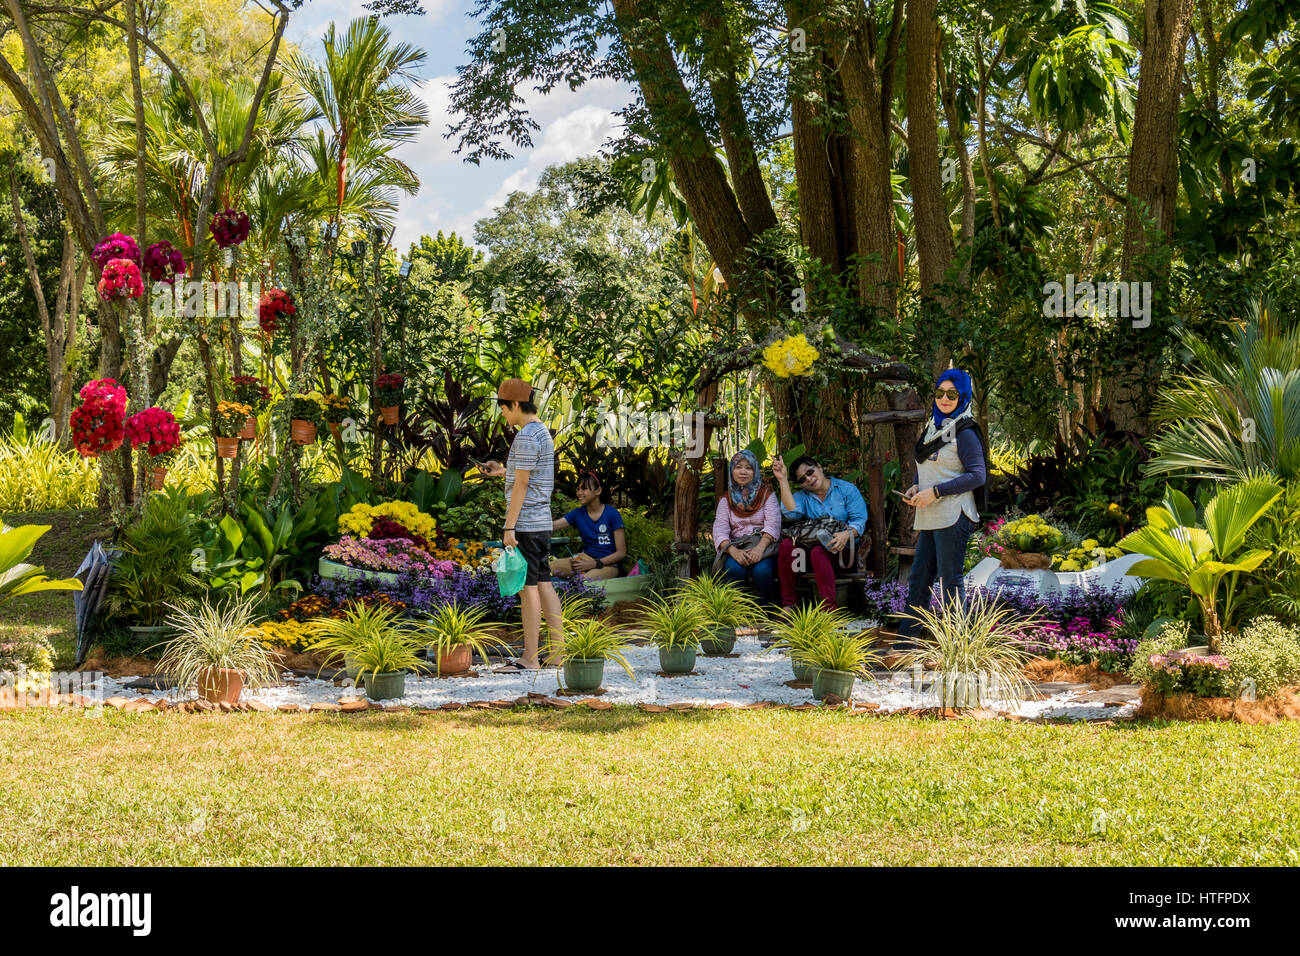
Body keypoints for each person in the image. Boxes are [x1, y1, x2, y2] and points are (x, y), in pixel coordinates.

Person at [897, 368, 989, 642]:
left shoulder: (965, 431)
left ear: (963, 396)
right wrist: (916, 486)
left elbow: (977, 475)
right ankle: (906, 642)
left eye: (952, 394)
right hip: (931, 515)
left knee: (950, 581)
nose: (945, 399)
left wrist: (935, 492)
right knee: (919, 578)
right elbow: (927, 463)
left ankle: (956, 646)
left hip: (953, 514)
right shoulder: (934, 427)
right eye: (940, 393)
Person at [479, 378, 562, 669]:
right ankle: (556, 655)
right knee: (544, 584)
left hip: (526, 524)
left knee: (528, 590)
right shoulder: (542, 432)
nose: (503, 414)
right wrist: (502, 471)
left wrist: (508, 526)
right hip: (542, 523)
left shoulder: (526, 436)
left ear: (515, 405)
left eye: (503, 408)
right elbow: (527, 474)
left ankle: (529, 657)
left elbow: (523, 485)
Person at [771, 454, 868, 609]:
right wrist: (782, 479)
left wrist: (847, 534)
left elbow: (859, 520)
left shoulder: (846, 489)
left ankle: (829, 610)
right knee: (787, 546)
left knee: (819, 551)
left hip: (842, 550)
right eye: (802, 479)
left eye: (810, 472)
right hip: (807, 554)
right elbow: (791, 512)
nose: (808, 479)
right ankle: (789, 605)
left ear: (819, 467)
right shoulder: (803, 496)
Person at [711, 450, 780, 601]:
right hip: (737, 547)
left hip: (763, 547)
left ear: (755, 471)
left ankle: (766, 613)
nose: (743, 472)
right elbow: (720, 530)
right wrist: (734, 552)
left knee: (763, 571)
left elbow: (773, 523)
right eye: (738, 467)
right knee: (733, 570)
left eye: (748, 468)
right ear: (732, 471)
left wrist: (759, 549)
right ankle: (738, 615)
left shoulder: (767, 494)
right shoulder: (726, 499)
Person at [550, 471, 626, 581]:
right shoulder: (577, 513)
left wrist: (595, 563)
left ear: (598, 491)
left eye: (584, 489)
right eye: (578, 489)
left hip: (608, 565)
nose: (579, 492)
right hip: (584, 559)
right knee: (546, 569)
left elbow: (621, 553)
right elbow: (552, 526)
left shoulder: (612, 514)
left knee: (582, 582)